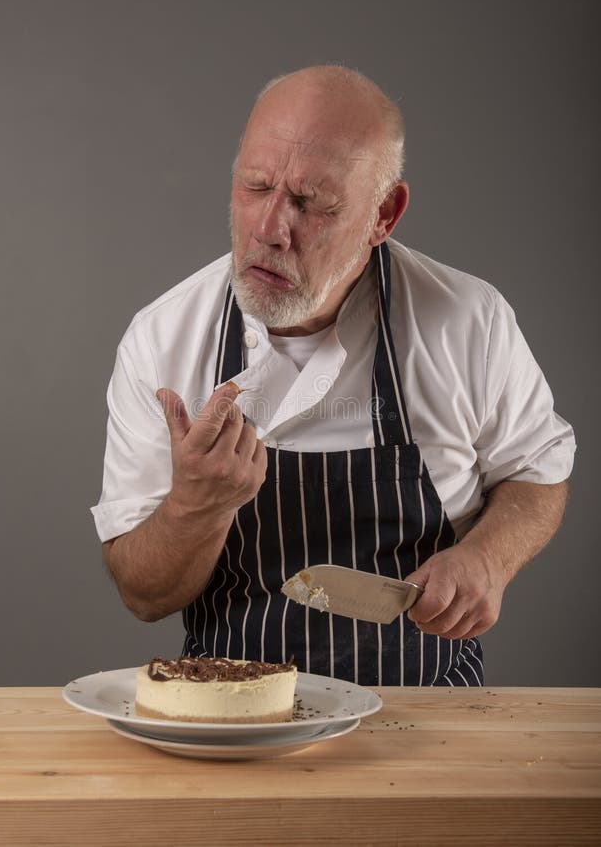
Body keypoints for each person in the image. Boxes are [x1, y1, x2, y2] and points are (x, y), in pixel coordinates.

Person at [91, 65, 575, 687]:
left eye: (310, 203)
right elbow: (144, 595)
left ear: (384, 215)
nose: (270, 230)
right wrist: (195, 507)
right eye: (255, 187)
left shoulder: (466, 321)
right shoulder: (162, 340)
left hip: (427, 717)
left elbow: (537, 469)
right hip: (232, 720)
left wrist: (488, 558)